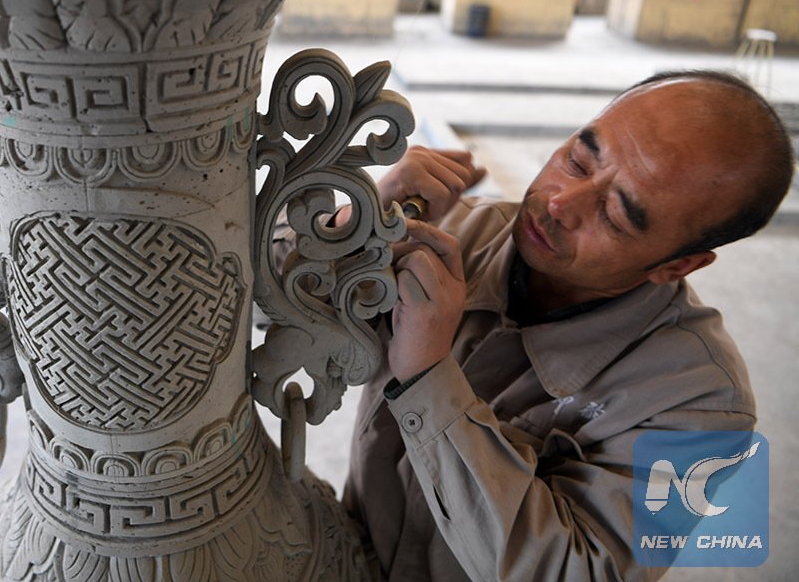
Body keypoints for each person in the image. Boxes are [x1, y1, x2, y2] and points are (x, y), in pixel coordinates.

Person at [337, 70, 794, 581]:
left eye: (616, 215)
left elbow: (574, 571)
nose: (560, 203)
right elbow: (259, 316)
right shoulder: (458, 229)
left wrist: (427, 378)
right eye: (578, 160)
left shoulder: (699, 404)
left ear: (676, 266)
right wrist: (353, 227)